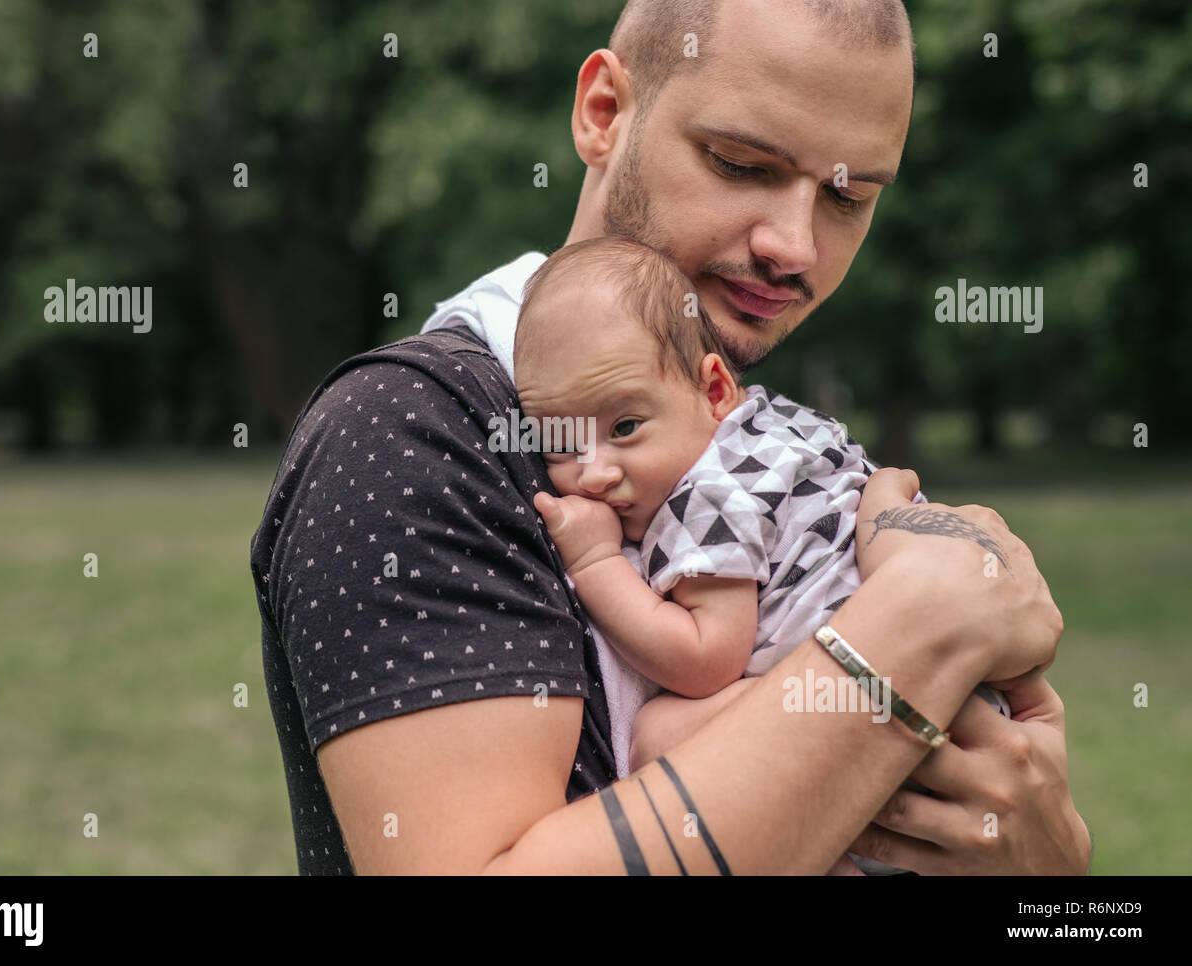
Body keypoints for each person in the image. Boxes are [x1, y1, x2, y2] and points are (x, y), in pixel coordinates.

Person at [251, 0, 1090, 874]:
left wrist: (1057, 866)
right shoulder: (406, 433)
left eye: (848, 196)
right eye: (742, 163)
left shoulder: (739, 441)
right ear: (603, 113)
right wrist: (918, 630)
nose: (795, 245)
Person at [513, 234, 1013, 875]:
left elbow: (706, 660)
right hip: (952, 707)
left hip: (897, 728)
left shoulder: (710, 490)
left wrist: (596, 565)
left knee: (660, 733)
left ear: (715, 390)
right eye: (562, 445)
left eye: (625, 428)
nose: (596, 474)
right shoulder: (780, 427)